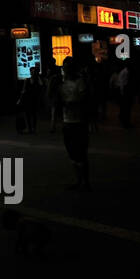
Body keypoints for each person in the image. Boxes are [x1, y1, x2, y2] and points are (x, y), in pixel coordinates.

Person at [60, 59, 91, 190]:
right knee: (71, 152)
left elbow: (84, 99)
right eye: (65, 68)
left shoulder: (80, 82)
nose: (66, 70)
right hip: (67, 121)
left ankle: (85, 181)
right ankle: (78, 180)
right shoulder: (62, 83)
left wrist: (71, 103)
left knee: (81, 152)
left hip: (79, 122)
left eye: (69, 68)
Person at [118, 60, 134, 128]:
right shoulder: (125, 72)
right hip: (125, 91)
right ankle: (125, 122)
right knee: (126, 107)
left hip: (125, 90)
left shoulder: (125, 72)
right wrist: (122, 92)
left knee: (126, 107)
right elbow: (122, 83)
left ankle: (125, 121)